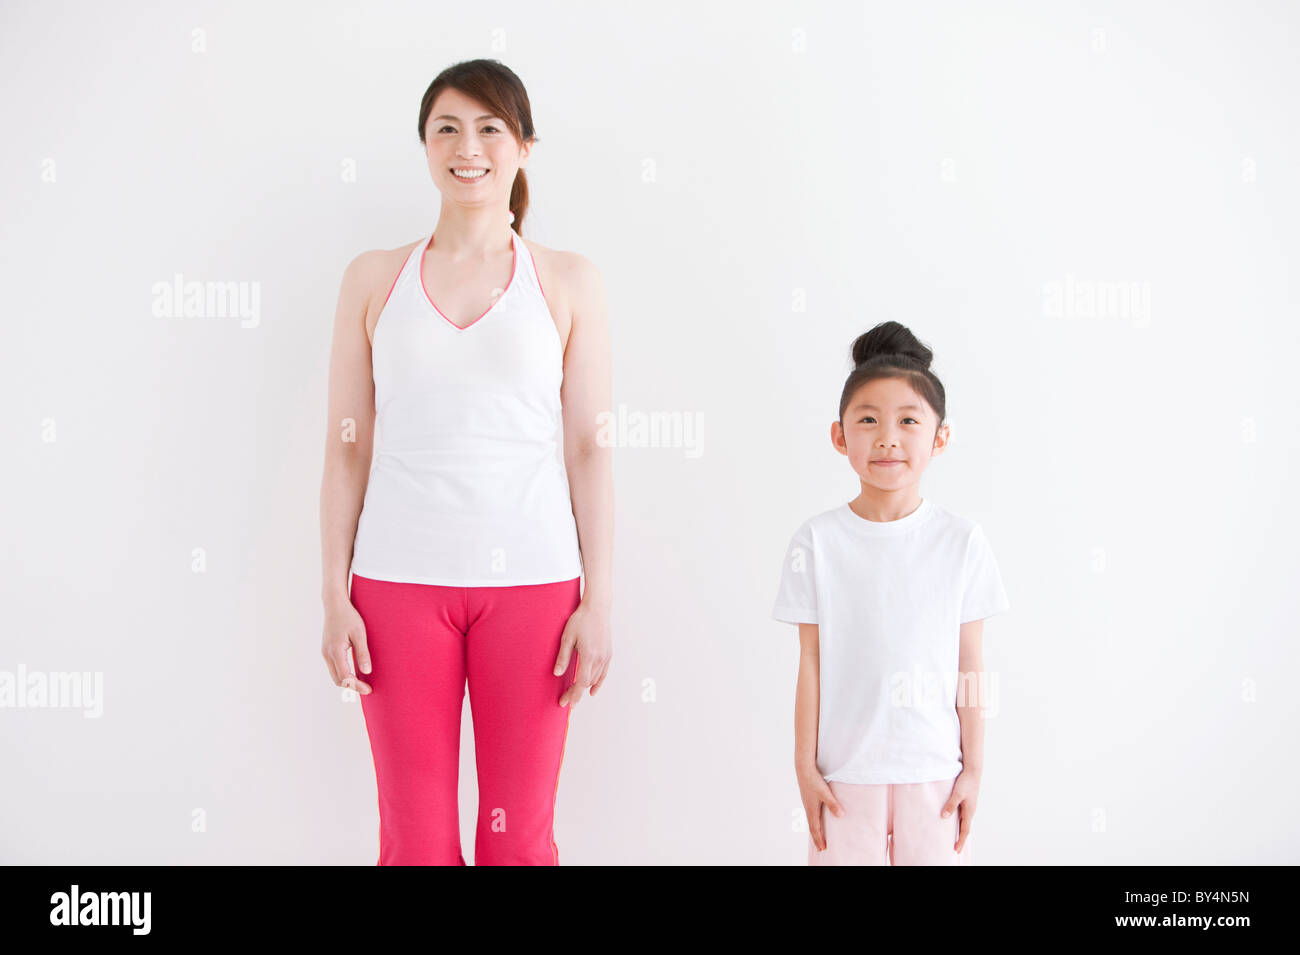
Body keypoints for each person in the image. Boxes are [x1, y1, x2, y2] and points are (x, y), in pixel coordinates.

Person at [318, 59, 613, 865]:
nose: (467, 146)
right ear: (424, 146)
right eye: (446, 127)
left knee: (518, 842)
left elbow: (589, 446)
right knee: (414, 843)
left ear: (521, 146)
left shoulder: (567, 280)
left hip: (537, 586)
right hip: (396, 585)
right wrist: (332, 595)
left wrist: (601, 598)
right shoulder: (374, 278)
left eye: (489, 127)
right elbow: (348, 445)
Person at [771, 321, 1009, 865]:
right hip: (844, 775)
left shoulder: (962, 541)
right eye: (869, 420)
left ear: (939, 437)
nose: (887, 437)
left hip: (935, 774)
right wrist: (805, 768)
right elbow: (811, 662)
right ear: (840, 435)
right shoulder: (818, 541)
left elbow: (970, 663)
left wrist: (973, 769)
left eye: (908, 421)